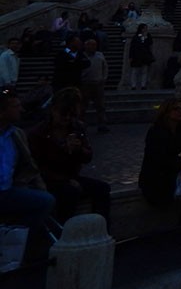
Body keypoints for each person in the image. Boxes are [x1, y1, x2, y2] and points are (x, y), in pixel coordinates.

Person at [29, 88, 111, 230]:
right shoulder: (39, 133)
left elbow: (88, 157)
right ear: (53, 110)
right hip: (48, 180)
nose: (67, 118)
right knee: (69, 193)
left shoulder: (76, 127)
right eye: (63, 114)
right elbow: (36, 166)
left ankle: (101, 230)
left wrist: (79, 149)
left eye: (71, 115)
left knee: (102, 189)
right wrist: (65, 178)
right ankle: (65, 232)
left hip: (70, 176)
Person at [0, 90, 55, 234]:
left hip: (8, 189)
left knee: (45, 200)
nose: (21, 110)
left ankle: (16, 236)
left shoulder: (17, 134)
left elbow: (29, 162)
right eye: (16, 106)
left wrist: (38, 183)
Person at [80, 37, 109, 132]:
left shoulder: (100, 55)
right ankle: (80, 124)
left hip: (98, 83)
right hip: (85, 84)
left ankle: (102, 124)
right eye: (91, 45)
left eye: (95, 45)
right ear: (86, 46)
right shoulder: (81, 56)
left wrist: (104, 78)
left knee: (100, 105)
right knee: (82, 106)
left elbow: (105, 67)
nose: (93, 47)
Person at [128, 24, 154, 89]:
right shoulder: (136, 36)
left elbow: (150, 44)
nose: (145, 30)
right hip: (137, 55)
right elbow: (132, 47)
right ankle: (133, 85)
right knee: (135, 71)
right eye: (144, 28)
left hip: (145, 56)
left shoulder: (148, 36)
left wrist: (146, 37)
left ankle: (143, 85)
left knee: (144, 71)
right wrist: (131, 56)